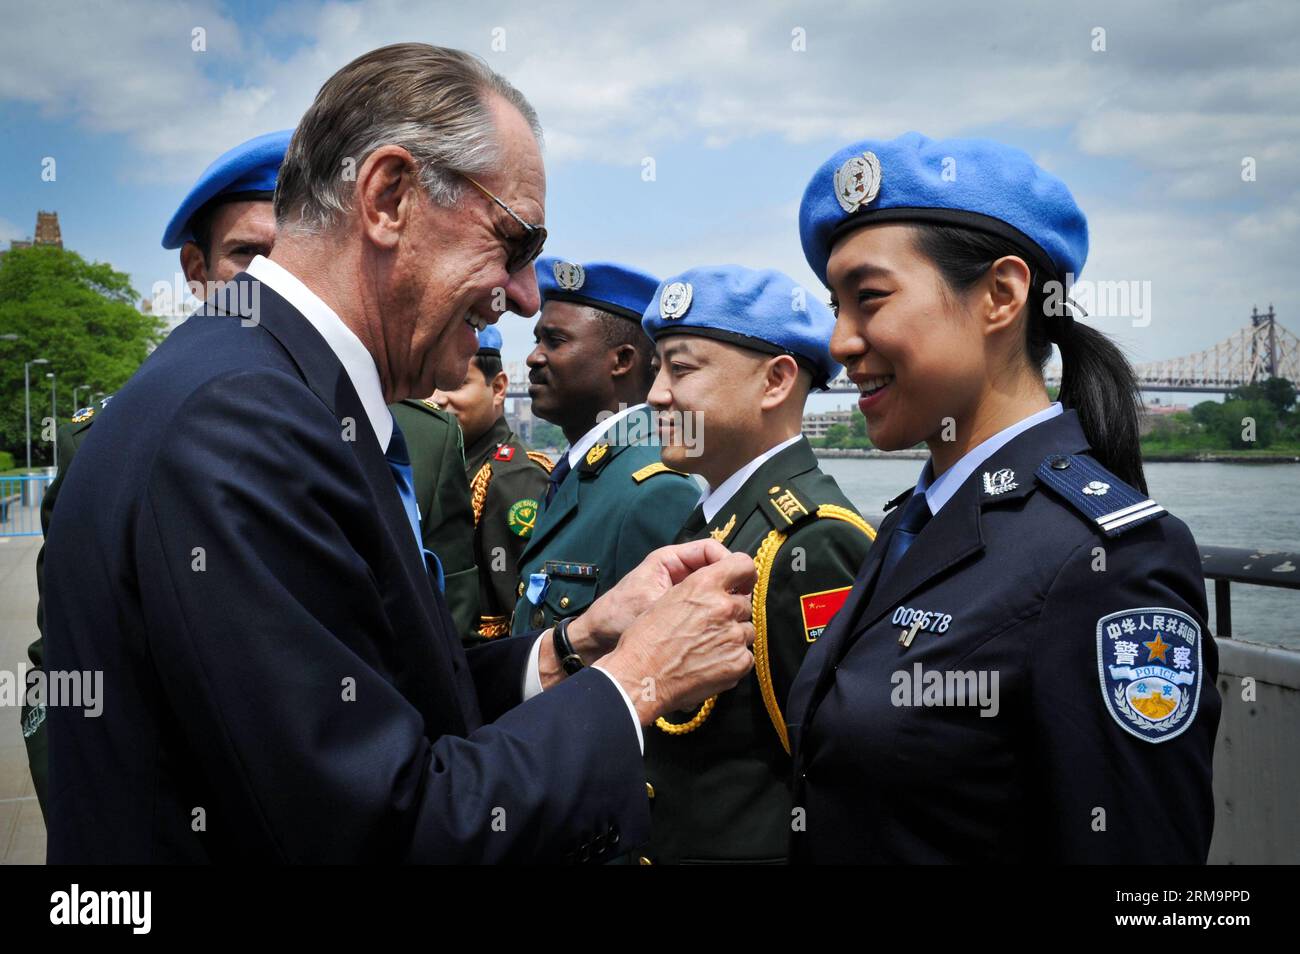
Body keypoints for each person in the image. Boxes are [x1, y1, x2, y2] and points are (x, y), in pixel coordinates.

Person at [42, 42, 757, 864]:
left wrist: (573, 647)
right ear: (388, 198)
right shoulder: (244, 420)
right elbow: (381, 829)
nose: (523, 298)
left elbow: (372, 699)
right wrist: (640, 679)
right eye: (514, 242)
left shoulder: (261, 382)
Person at [785, 132, 1221, 863]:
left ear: (1001, 295)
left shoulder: (1107, 562)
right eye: (835, 307)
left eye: (869, 300)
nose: (839, 342)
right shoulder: (912, 523)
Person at [25, 129, 290, 817]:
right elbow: (66, 675)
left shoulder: (393, 435)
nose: (271, 281)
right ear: (196, 269)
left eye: (291, 257)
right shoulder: (109, 444)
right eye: (247, 256)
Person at [638, 265, 875, 864]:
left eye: (682, 368)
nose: (656, 394)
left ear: (775, 381)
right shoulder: (716, 520)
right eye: (657, 367)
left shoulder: (810, 542)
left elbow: (839, 776)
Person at [509, 257, 699, 635]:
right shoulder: (587, 474)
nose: (533, 357)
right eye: (536, 340)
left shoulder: (656, 490)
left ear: (623, 360)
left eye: (555, 341)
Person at [432, 326, 553, 643]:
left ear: (499, 388)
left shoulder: (514, 478)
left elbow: (521, 615)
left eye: (455, 384)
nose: (438, 399)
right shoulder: (449, 463)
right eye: (431, 384)